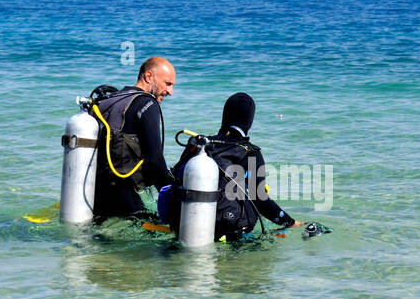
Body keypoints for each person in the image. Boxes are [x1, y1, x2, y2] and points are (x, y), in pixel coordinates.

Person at [163, 92, 298, 241]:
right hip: (231, 234)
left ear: (225, 115)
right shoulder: (250, 152)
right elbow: (260, 199)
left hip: (186, 227)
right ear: (249, 120)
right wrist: (290, 222)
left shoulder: (199, 145)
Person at [90, 57, 177, 218]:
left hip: (96, 197)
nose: (170, 92)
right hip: (127, 200)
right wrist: (174, 194)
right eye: (168, 84)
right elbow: (155, 161)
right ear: (149, 76)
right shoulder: (147, 103)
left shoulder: (110, 100)